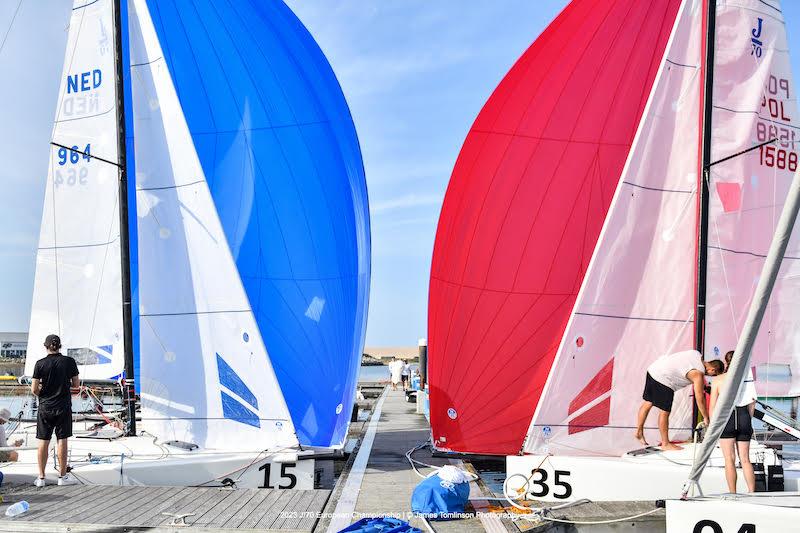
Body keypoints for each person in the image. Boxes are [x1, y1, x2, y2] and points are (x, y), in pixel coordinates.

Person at [635, 349, 724, 450]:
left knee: (648, 402)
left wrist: (706, 388)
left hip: (654, 369)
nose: (711, 377)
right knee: (664, 412)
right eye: (714, 375)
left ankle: (639, 431)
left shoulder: (695, 354)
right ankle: (665, 443)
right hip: (664, 379)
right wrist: (706, 417)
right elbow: (700, 398)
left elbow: (682, 366)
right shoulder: (698, 374)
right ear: (712, 370)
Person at [31, 334, 80, 486]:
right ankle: (62, 477)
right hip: (63, 406)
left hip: (45, 406)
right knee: (62, 440)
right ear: (60, 346)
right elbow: (76, 385)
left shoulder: (40, 364)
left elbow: (34, 389)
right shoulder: (69, 362)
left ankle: (41, 478)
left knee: (43, 441)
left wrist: (44, 394)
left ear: (45, 346)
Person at [709, 350, 757, 493]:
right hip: (744, 417)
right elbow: (752, 403)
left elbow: (713, 407)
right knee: (745, 459)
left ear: (726, 362)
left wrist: (713, 427)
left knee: (729, 459)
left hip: (727, 419)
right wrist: (748, 419)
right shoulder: (747, 379)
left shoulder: (718, 380)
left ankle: (732, 493)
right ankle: (752, 493)